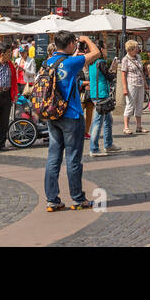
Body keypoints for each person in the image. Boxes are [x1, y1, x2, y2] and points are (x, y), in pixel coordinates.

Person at [44, 31, 99, 211]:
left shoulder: (48, 62)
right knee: (73, 159)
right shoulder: (71, 62)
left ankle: (52, 200)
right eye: (73, 43)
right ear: (69, 44)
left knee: (53, 158)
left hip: (53, 114)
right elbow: (96, 53)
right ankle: (78, 199)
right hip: (72, 115)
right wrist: (86, 39)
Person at [88, 50, 119, 156]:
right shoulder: (101, 62)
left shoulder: (91, 62)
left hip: (95, 93)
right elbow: (109, 77)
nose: (106, 51)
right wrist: (114, 70)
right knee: (98, 122)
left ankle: (108, 144)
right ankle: (94, 148)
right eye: (105, 48)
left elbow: (101, 75)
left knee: (108, 120)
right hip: (101, 94)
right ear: (100, 51)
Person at [120, 40, 148, 135]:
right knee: (130, 105)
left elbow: (141, 71)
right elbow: (123, 75)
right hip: (131, 84)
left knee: (140, 105)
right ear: (131, 49)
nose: (137, 49)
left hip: (140, 83)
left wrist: (145, 82)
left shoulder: (138, 57)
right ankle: (126, 127)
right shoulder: (125, 59)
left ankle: (139, 126)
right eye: (136, 47)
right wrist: (124, 88)